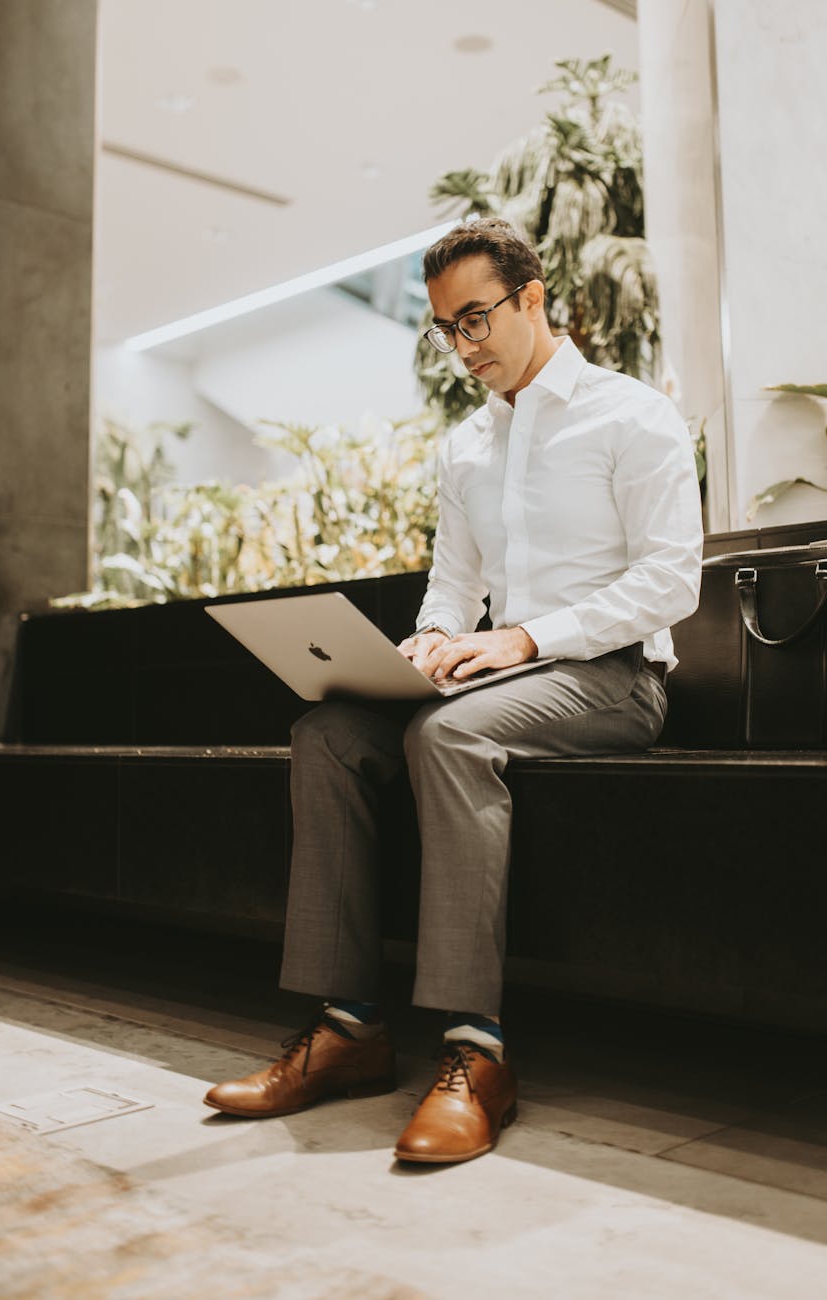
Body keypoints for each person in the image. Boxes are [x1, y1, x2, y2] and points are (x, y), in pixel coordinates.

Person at [204, 218, 704, 1163]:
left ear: (531, 297)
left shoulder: (630, 415)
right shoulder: (467, 444)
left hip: (612, 678)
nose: (462, 346)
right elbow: (453, 582)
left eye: (476, 319)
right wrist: (431, 642)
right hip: (501, 676)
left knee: (448, 740)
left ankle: (476, 1052)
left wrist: (523, 636)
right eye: (444, 328)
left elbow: (670, 581)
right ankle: (348, 1029)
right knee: (328, 733)